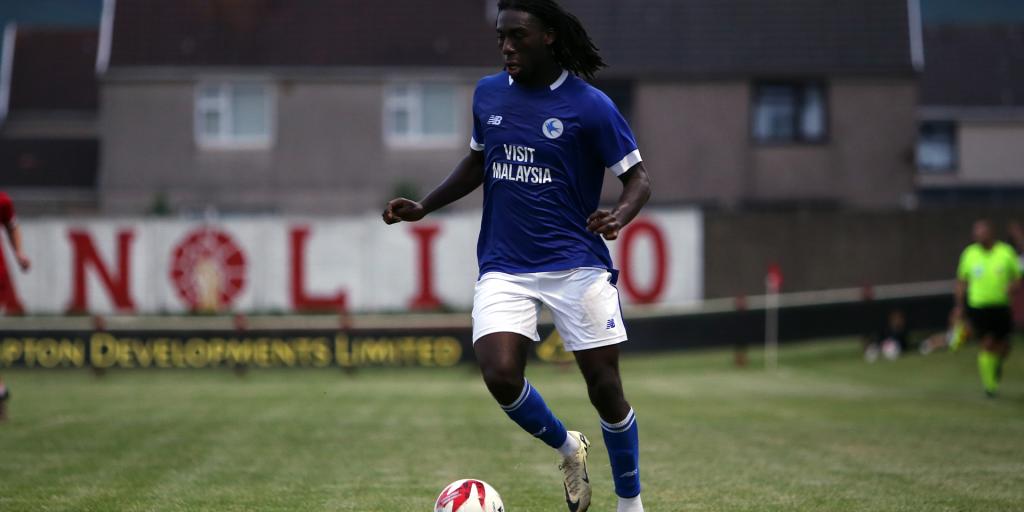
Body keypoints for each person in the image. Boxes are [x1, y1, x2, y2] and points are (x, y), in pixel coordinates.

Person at [383, 2, 651, 510]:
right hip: (505, 264)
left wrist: (619, 215)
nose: (506, 47)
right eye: (501, 38)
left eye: (517, 37)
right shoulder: (488, 95)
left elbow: (638, 177)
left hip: (577, 264)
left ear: (548, 37)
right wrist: (424, 205)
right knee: (500, 374)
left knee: (604, 386)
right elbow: (477, 162)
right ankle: (568, 447)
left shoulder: (590, 105)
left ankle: (629, 504)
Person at [955, 219, 1021, 397]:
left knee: (1004, 346)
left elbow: (1018, 276)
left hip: (1001, 306)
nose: (978, 236)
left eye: (981, 232)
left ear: (990, 233)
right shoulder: (969, 254)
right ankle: (990, 386)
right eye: (976, 233)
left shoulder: (1005, 252)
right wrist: (959, 306)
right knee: (987, 343)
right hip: (978, 306)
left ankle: (995, 365)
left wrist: (1013, 286)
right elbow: (961, 281)